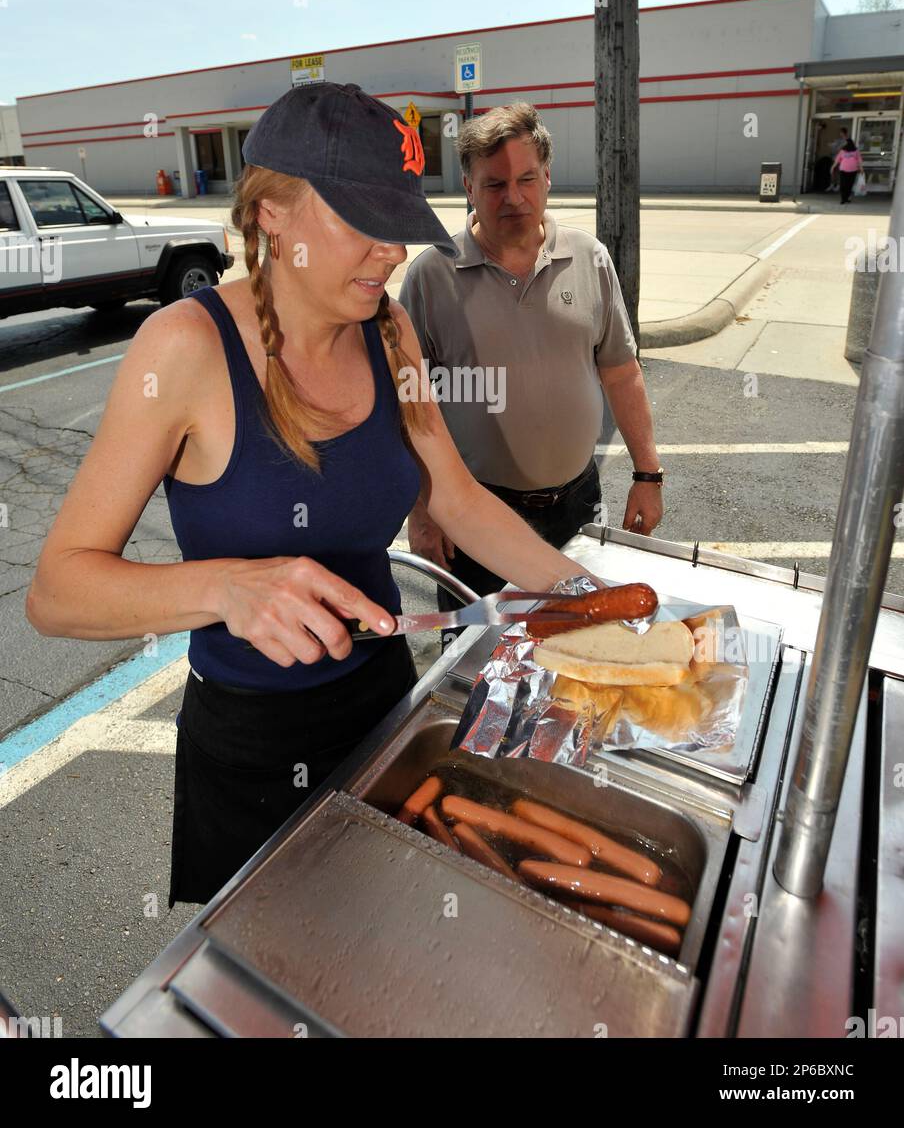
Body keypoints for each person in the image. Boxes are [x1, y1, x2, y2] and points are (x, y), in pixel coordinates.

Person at [25, 83, 602, 907]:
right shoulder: (186, 347)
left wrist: (593, 598)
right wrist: (226, 588)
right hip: (253, 742)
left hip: (385, 706)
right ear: (272, 214)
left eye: (397, 224)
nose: (391, 253)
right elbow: (56, 593)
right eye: (361, 223)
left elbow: (459, 498)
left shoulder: (389, 329)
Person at [399, 101, 663, 634]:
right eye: (494, 184)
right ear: (469, 189)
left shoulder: (589, 259)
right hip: (475, 516)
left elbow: (620, 371)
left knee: (583, 650)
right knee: (479, 662)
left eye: (526, 178)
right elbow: (409, 400)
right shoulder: (432, 275)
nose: (514, 197)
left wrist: (647, 472)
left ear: (547, 177)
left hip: (579, 505)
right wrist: (424, 508)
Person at [831, 136, 864, 204]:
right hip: (850, 169)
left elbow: (859, 160)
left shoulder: (853, 150)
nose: (844, 144)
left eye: (845, 143)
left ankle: (844, 198)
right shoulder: (845, 151)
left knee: (845, 184)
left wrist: (833, 167)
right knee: (848, 184)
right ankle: (845, 198)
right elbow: (859, 160)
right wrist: (833, 167)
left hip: (846, 169)